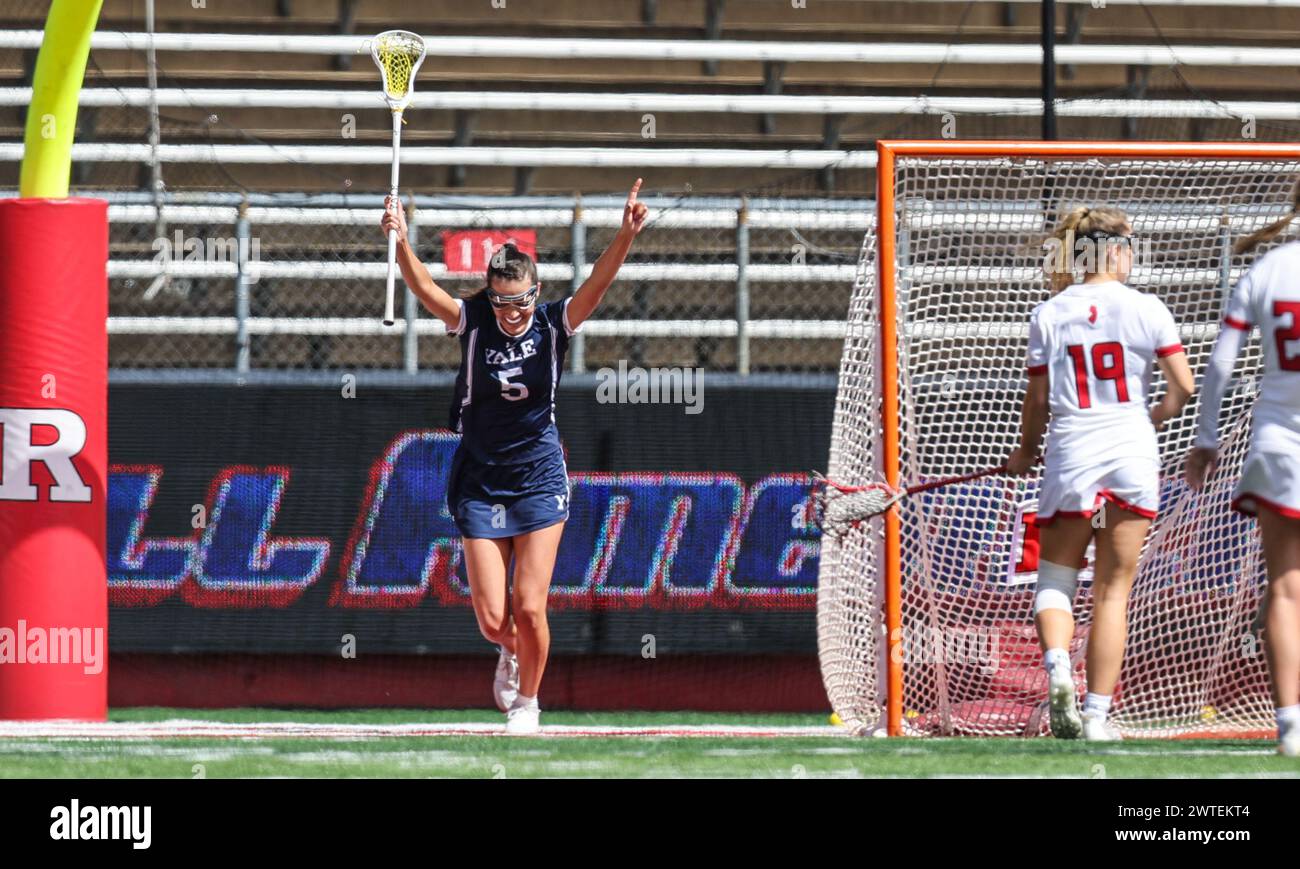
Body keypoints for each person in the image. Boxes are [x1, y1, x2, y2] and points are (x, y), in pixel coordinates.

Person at [380, 179, 649, 733]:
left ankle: (528, 701)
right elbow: (426, 289)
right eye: (502, 301)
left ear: (536, 291)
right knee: (493, 619)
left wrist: (624, 235)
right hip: (480, 476)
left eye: (521, 299)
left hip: (538, 475)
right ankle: (509, 651)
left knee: (529, 607)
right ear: (489, 295)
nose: (512, 311)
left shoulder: (553, 323)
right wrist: (401, 242)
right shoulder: (475, 322)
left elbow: (597, 286)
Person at [1007, 205, 1193, 740]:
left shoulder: (1050, 313)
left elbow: (1037, 401)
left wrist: (1024, 452)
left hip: (1072, 452)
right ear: (1115, 250)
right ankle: (1095, 718)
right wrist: (1151, 416)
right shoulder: (1147, 308)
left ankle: (1058, 667)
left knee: (1056, 579)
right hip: (1132, 453)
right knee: (1114, 591)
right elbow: (1182, 388)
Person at [1185, 181, 1300, 756]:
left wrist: (1206, 439)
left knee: (1285, 588)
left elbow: (1221, 362)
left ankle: (1290, 727)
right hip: (1279, 440)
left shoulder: (1268, 269)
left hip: (1280, 442)